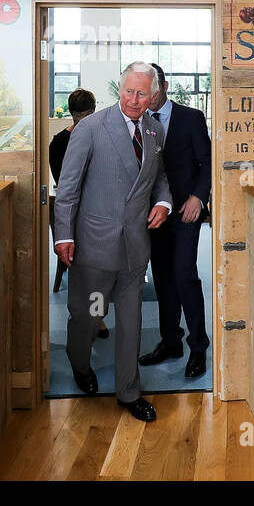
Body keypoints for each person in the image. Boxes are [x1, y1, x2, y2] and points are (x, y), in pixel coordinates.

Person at [53, 62, 171, 422]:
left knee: (132, 323)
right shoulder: (90, 129)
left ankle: (129, 392)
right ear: (119, 90)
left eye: (142, 93)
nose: (135, 100)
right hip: (93, 248)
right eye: (129, 92)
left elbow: (158, 176)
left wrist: (164, 202)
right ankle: (80, 365)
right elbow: (68, 189)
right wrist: (64, 235)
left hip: (135, 249)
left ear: (154, 94)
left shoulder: (153, 130)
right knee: (88, 318)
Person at [138, 63, 212, 379]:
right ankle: (171, 342)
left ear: (164, 86)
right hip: (152, 214)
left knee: (184, 275)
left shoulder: (191, 118)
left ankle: (198, 346)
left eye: (150, 90)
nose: (145, 97)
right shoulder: (137, 121)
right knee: (163, 278)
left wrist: (199, 196)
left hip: (185, 211)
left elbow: (206, 162)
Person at [48, 88, 108, 339]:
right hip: (80, 213)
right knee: (84, 272)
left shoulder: (101, 137)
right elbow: (64, 182)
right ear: (73, 114)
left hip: (94, 213)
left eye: (88, 115)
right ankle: (88, 318)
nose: (84, 120)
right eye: (81, 116)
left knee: (97, 273)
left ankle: (97, 319)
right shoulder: (61, 142)